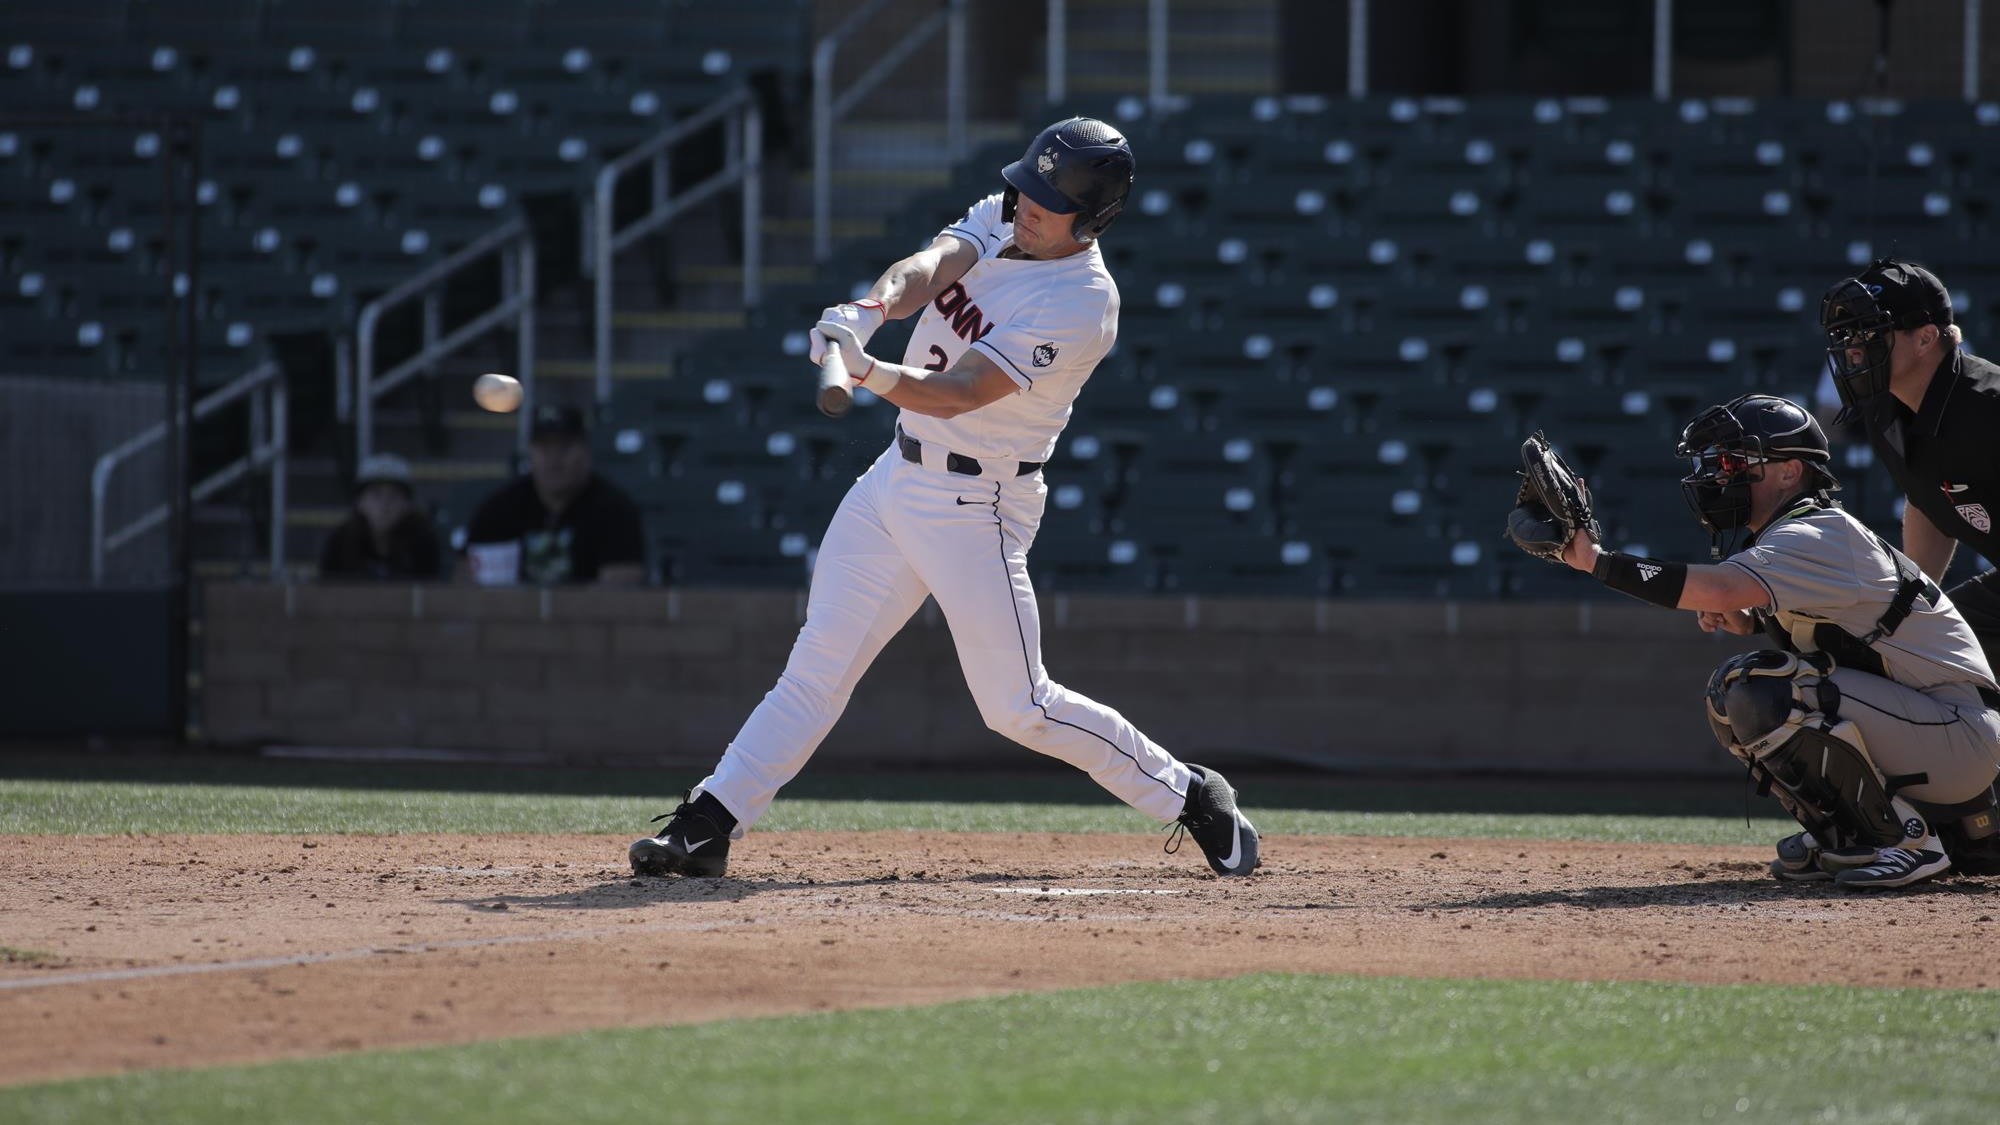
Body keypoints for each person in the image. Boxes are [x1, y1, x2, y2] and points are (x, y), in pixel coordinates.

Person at [628, 117, 1261, 880]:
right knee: (815, 667)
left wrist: (866, 371)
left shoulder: (1083, 302)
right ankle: (707, 823)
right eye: (1026, 186)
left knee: (1017, 704)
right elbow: (927, 268)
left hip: (978, 504)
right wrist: (867, 311)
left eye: (1048, 199)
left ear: (1093, 217)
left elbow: (961, 393)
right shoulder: (1002, 215)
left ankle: (1190, 792)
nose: (1025, 205)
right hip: (896, 478)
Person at [1511, 394, 2000, 888]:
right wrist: (1748, 621)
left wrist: (1597, 561)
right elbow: (1847, 638)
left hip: (1959, 735)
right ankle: (1849, 831)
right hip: (1934, 727)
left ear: (1789, 471)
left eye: (1733, 462)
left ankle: (1904, 841)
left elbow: (1720, 586)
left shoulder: (1818, 532)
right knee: (1732, 700)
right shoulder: (1798, 533)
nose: (1719, 476)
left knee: (1760, 685)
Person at [1821, 259, 2000, 664]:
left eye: (1872, 332)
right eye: (1849, 332)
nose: (1853, 345)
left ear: (1925, 338)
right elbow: (1925, 497)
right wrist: (1916, 609)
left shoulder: (1988, 409)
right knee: (1915, 651)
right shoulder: (1884, 410)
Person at [460, 404, 646, 586]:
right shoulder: (500, 510)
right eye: (544, 447)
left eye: (565, 446)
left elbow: (622, 586)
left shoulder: (614, 510)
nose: (554, 458)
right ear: (530, 451)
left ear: (585, 451)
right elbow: (463, 577)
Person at [318, 453, 443, 580]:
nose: (385, 505)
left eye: (394, 496)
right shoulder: (340, 542)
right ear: (360, 502)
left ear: (407, 504)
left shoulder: (423, 543)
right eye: (376, 495)